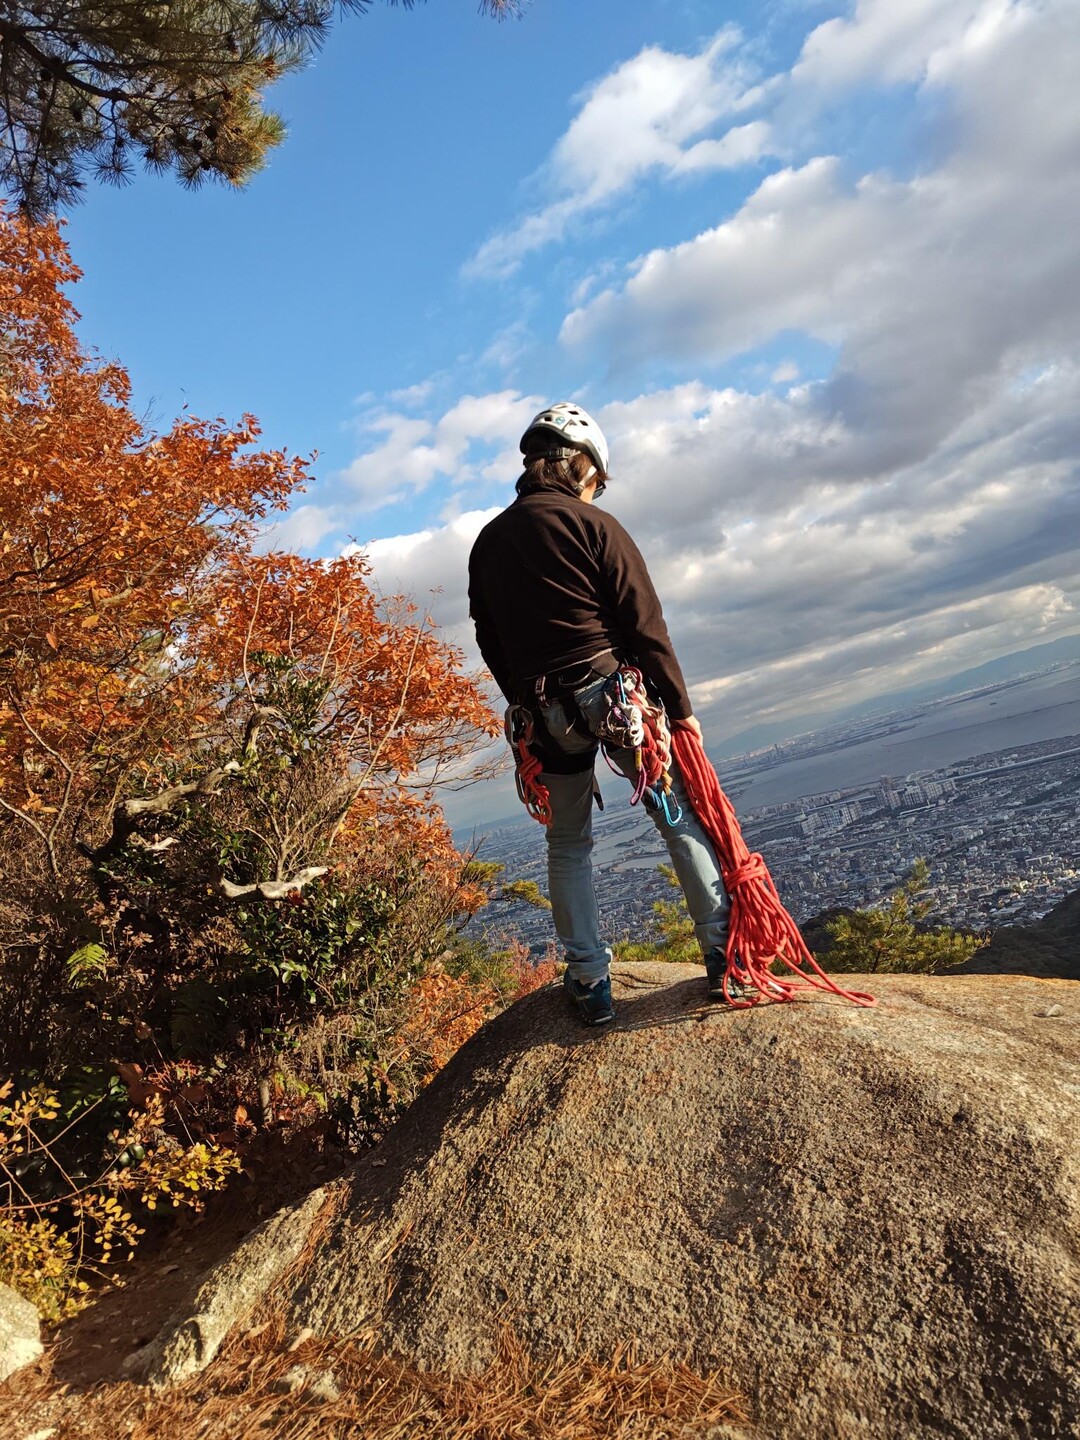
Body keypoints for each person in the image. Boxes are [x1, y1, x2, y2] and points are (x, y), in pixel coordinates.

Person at [468, 402, 745, 1026]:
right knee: (674, 815)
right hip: (614, 695)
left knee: (567, 841)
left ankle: (590, 981)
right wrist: (681, 709)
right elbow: (645, 623)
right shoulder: (595, 525)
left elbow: (488, 636)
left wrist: (522, 697)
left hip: (542, 710)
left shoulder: (488, 543)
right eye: (598, 479)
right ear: (582, 465)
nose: (598, 490)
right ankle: (723, 956)